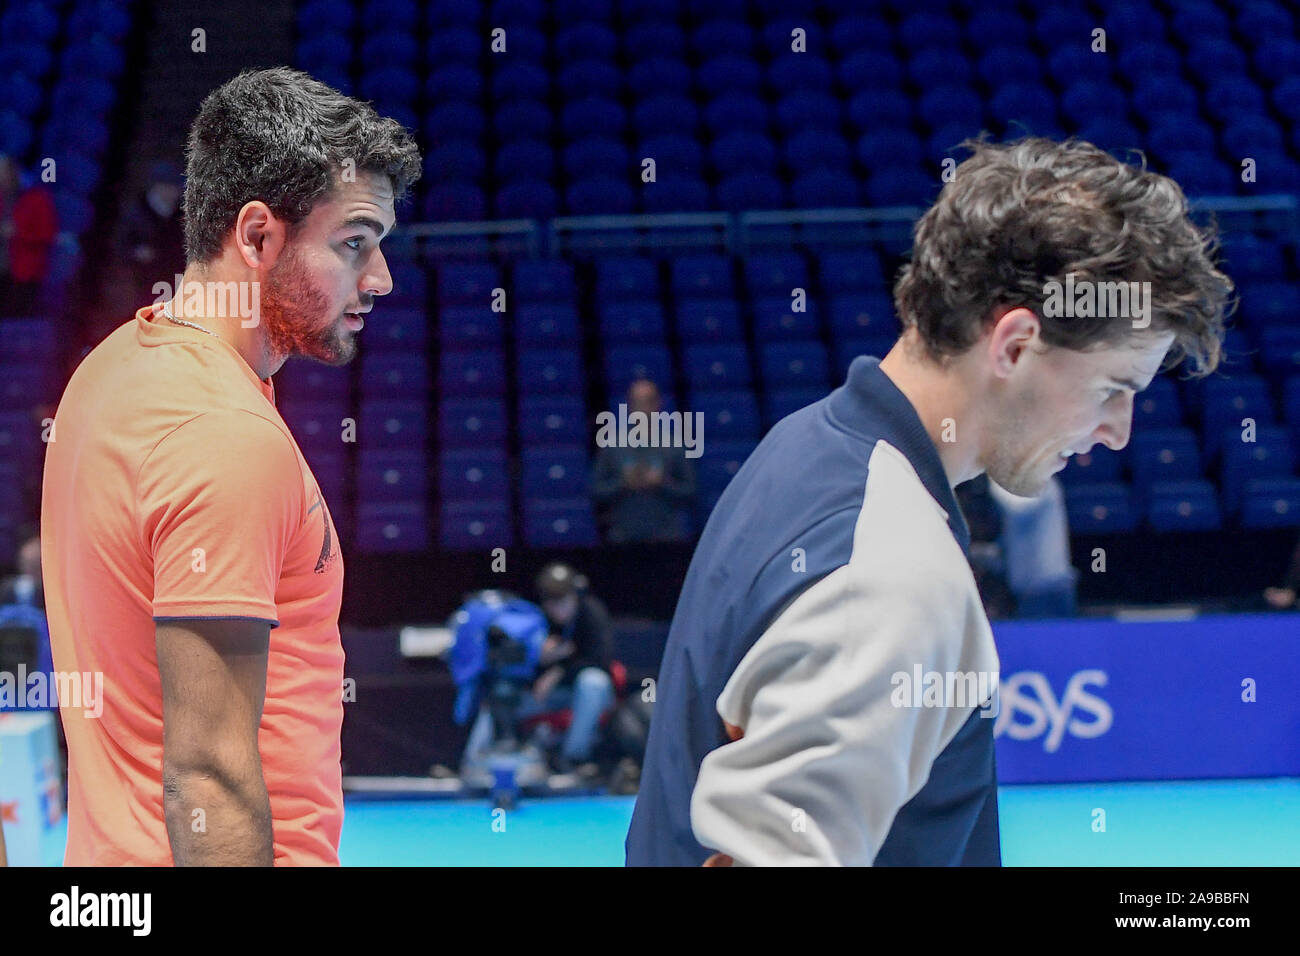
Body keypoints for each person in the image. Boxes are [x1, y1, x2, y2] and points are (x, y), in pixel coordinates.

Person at [625, 136, 1233, 866]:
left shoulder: (807, 445)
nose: (1119, 432)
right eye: (1113, 389)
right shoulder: (889, 568)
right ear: (1014, 345)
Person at [40, 67, 420, 865]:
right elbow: (207, 775)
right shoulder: (220, 430)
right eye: (354, 243)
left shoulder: (109, 369)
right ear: (256, 237)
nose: (381, 278)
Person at [462, 564, 615, 775]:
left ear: (575, 596)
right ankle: (474, 764)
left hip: (582, 696)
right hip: (543, 698)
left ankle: (573, 759)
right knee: (499, 698)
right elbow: (514, 668)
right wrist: (537, 659)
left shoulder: (591, 613)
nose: (556, 608)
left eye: (562, 601)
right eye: (551, 602)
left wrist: (560, 669)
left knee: (593, 681)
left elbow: (602, 661)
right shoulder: (535, 620)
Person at [591, 378, 697, 542]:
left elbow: (691, 491)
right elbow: (596, 491)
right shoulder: (612, 445)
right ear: (629, 406)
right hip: (622, 540)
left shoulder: (675, 446)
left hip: (666, 539)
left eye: (647, 402)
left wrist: (662, 483)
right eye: (637, 402)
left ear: (657, 405)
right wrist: (624, 483)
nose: (642, 409)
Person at [121, 159, 186, 309]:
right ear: (157, 186)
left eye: (175, 188)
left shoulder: (181, 215)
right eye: (168, 187)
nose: (172, 192)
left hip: (171, 280)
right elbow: (122, 245)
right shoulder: (137, 212)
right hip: (140, 280)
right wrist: (138, 252)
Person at [0, 153, 58, 317]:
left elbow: (47, 234)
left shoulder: (37, 197)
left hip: (24, 271)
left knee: (16, 318)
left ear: (13, 172)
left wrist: (18, 233)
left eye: (3, 172)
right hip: (3, 268)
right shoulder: (2, 197)